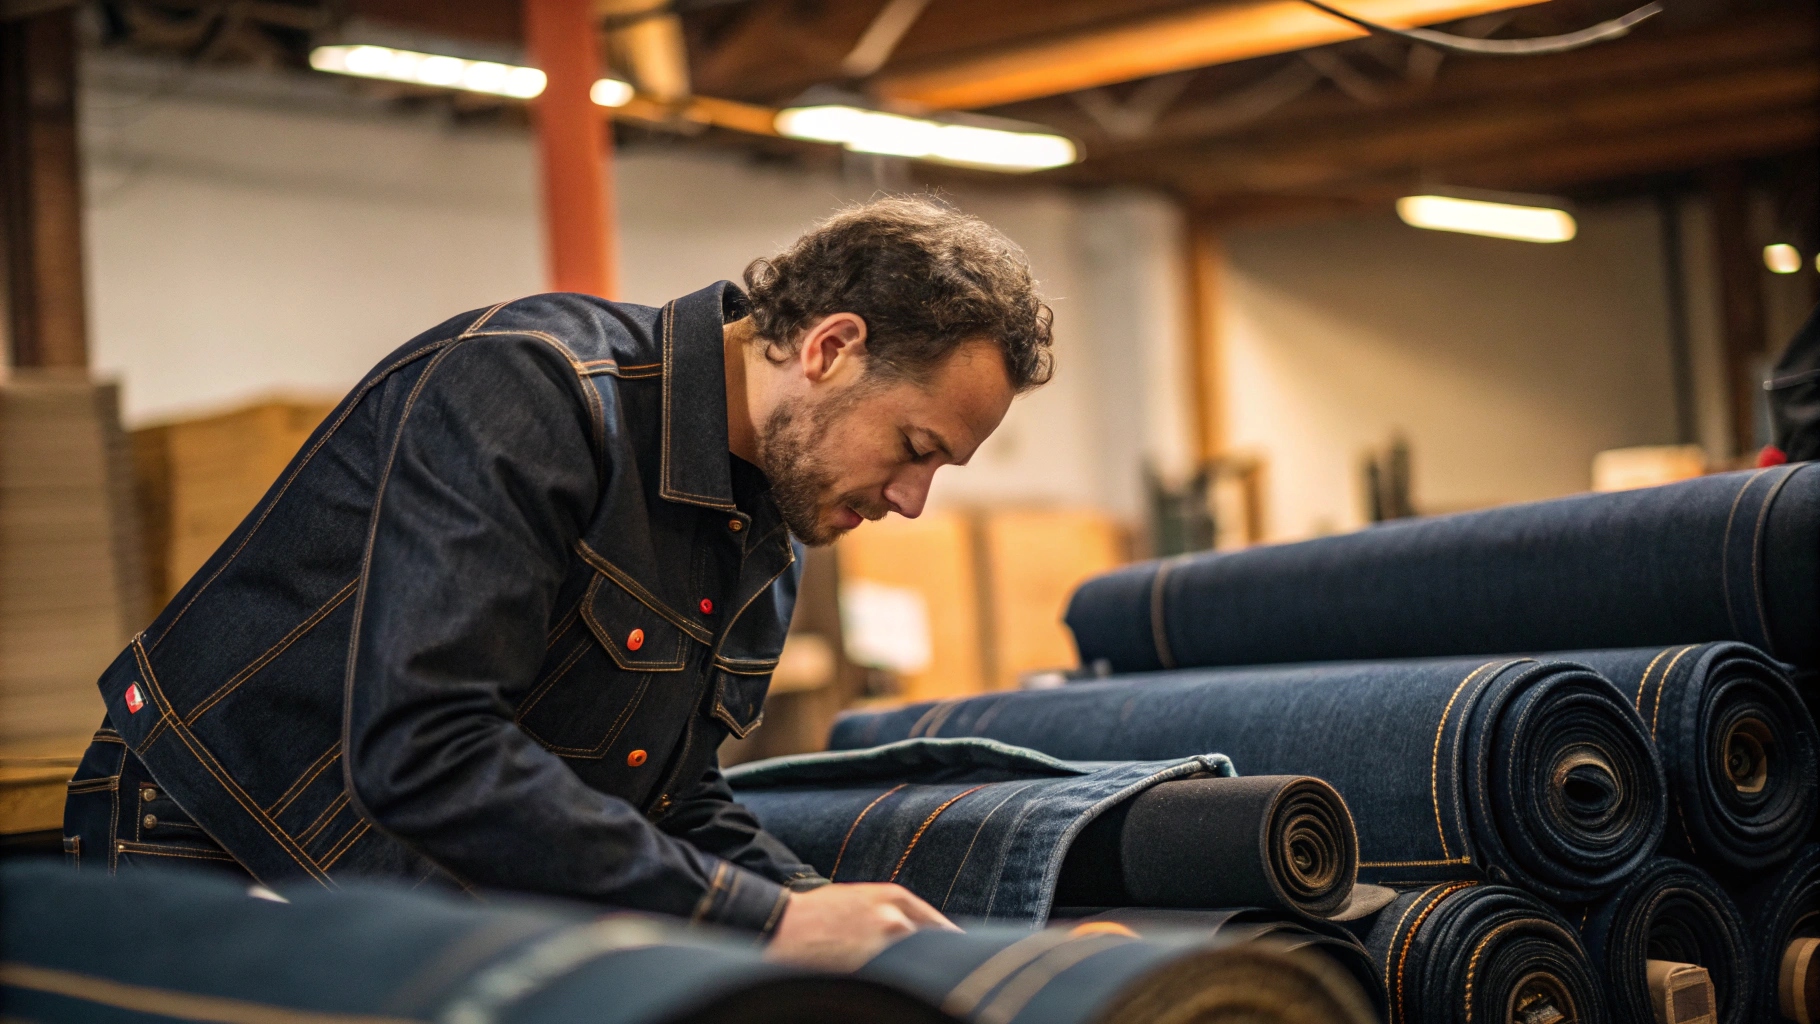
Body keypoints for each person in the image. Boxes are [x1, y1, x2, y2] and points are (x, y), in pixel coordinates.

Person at [62, 196, 1055, 969]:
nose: (916, 499)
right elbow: (425, 746)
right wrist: (761, 919)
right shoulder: (530, 390)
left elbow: (670, 798)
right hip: (224, 841)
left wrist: (858, 933)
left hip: (418, 877)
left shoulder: (764, 539)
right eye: (914, 446)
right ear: (829, 348)